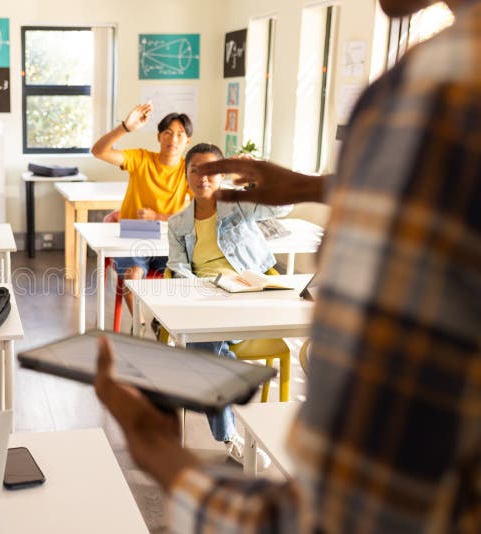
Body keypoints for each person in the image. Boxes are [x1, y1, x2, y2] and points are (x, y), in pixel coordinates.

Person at [94, 0, 481, 531]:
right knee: (139, 268)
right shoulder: (149, 168)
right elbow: (155, 228)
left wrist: (164, 457)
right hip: (170, 254)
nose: (175, 143)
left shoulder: (436, 90)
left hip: (243, 287)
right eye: (169, 137)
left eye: (182, 137)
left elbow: (358, 510)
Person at [167, 142, 291, 468]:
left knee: (202, 352)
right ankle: (228, 435)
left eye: (211, 171)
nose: (202, 178)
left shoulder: (239, 205)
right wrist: (194, 287)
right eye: (195, 170)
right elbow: (177, 265)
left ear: (221, 176)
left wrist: (258, 174)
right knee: (204, 344)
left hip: (248, 290)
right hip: (206, 294)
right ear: (186, 174)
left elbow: (282, 206)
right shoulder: (177, 223)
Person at [91, 102, 192, 315]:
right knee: (133, 273)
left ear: (187, 141)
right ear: (158, 137)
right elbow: (98, 151)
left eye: (180, 135)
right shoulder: (141, 159)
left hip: (168, 240)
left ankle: (167, 325)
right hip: (133, 236)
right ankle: (141, 327)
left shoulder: (188, 170)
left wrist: (159, 216)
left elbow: (199, 210)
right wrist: (124, 128)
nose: (173, 139)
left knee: (184, 276)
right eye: (168, 132)